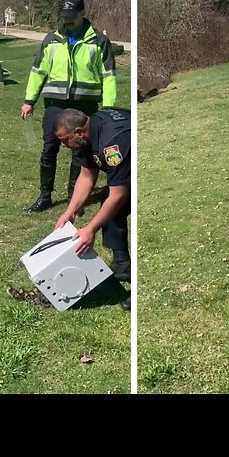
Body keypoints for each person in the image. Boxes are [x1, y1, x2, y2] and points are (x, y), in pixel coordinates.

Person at [22, 0, 117, 214]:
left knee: (80, 151)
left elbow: (109, 76)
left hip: (86, 104)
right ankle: (44, 196)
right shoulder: (51, 40)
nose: (67, 21)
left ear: (83, 13)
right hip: (55, 104)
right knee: (49, 148)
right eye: (64, 17)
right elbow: (38, 73)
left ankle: (75, 198)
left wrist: (109, 110)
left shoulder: (99, 41)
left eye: (72, 17)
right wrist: (29, 100)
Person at [52, 107, 131, 311]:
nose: (63, 145)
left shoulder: (113, 142)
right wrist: (69, 212)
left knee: (116, 202)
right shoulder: (88, 135)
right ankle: (122, 264)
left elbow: (120, 194)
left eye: (64, 139)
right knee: (108, 201)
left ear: (78, 132)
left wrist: (90, 229)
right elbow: (87, 176)